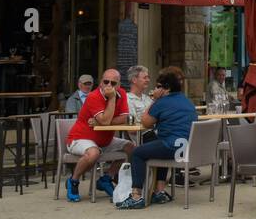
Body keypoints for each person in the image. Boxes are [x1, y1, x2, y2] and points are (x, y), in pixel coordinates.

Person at [117, 66, 199, 209]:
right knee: (159, 146)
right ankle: (159, 191)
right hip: (187, 148)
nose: (156, 88)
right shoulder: (187, 102)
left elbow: (145, 122)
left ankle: (136, 196)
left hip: (172, 147)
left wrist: (155, 100)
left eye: (159, 86)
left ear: (165, 88)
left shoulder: (161, 102)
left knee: (137, 152)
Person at [65, 69, 133, 202]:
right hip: (79, 138)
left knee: (131, 148)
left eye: (113, 83)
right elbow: (106, 121)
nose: (109, 86)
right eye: (105, 82)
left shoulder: (122, 93)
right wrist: (112, 99)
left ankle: (107, 178)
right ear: (101, 83)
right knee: (93, 153)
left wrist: (100, 121)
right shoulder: (93, 96)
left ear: (119, 85)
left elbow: (124, 118)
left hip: (104, 140)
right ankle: (73, 181)